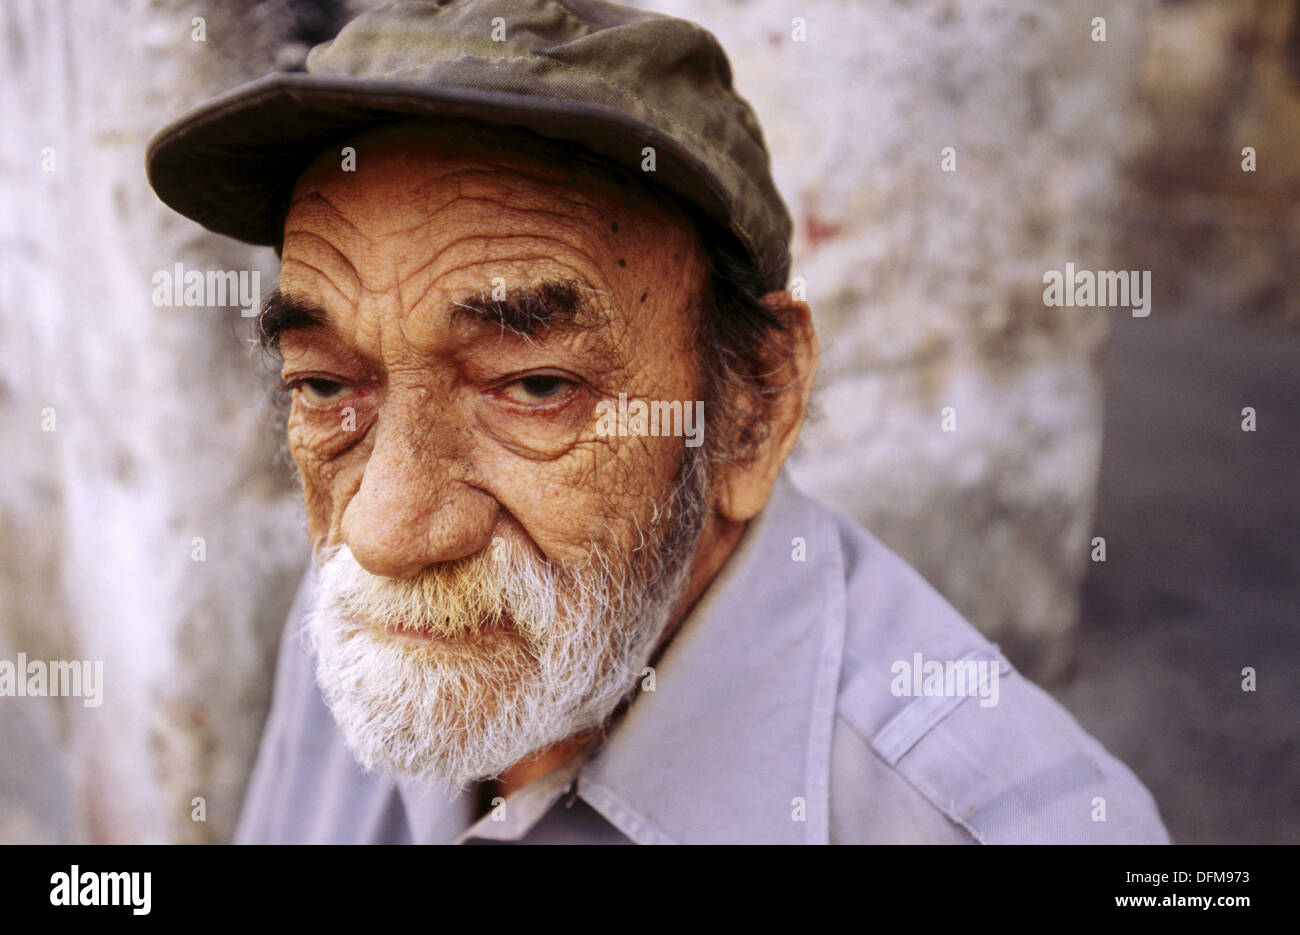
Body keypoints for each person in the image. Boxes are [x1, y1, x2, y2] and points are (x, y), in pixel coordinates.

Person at [146, 0, 1169, 844]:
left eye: (534, 386)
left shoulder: (1001, 823)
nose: (383, 529)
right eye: (326, 385)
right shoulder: (357, 617)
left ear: (751, 408)